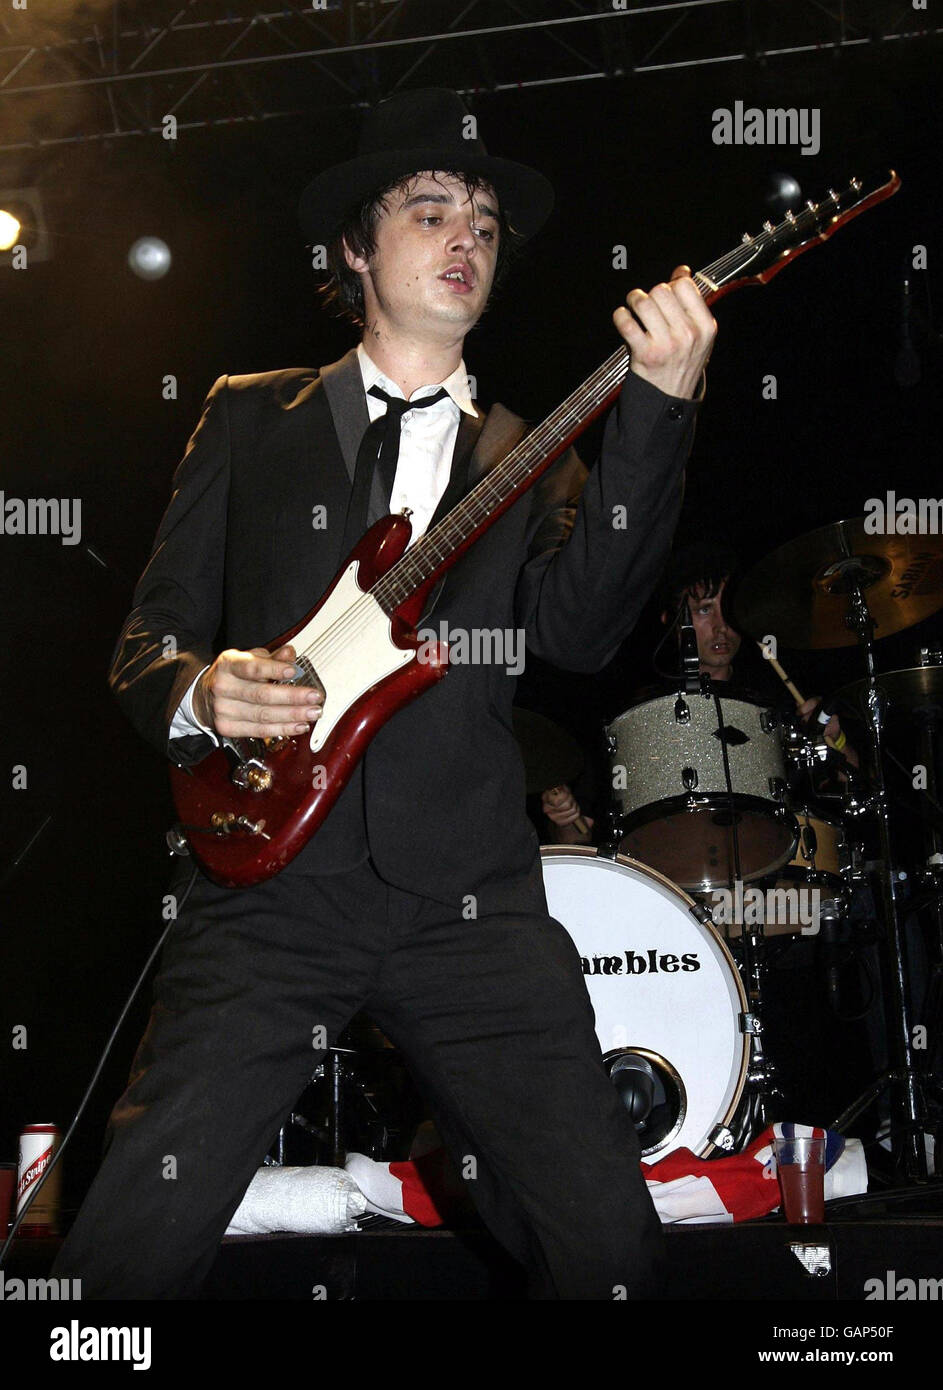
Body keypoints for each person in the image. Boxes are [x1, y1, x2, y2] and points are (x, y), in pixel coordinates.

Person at [52, 87, 716, 1300]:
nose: (466, 235)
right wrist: (203, 689)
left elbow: (576, 630)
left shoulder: (530, 449)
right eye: (429, 211)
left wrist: (659, 413)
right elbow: (143, 642)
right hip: (267, 887)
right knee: (130, 1244)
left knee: (606, 1247)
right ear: (354, 249)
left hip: (469, 889)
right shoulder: (249, 417)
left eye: (484, 220)